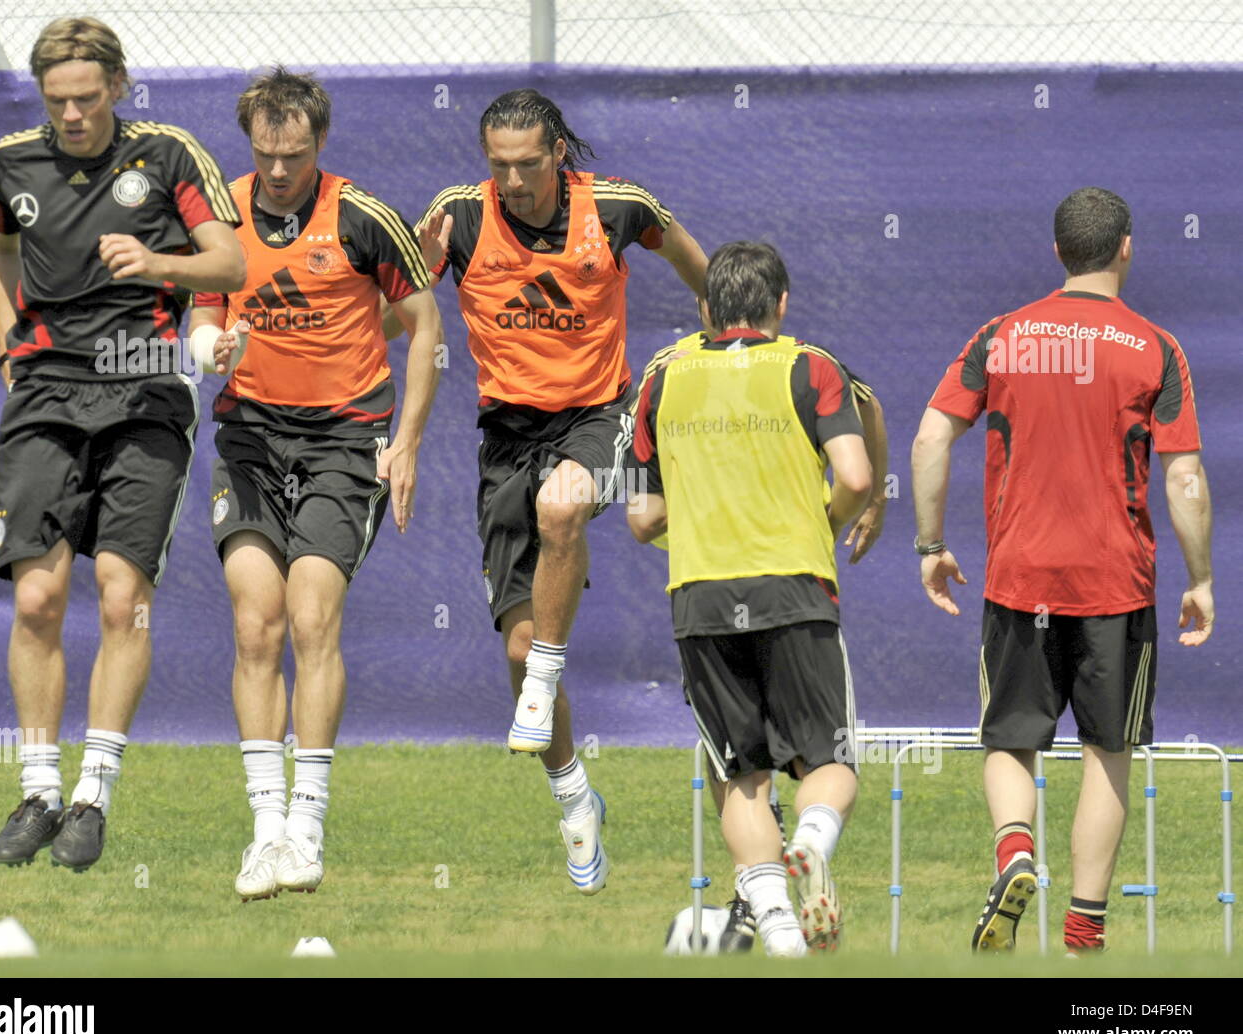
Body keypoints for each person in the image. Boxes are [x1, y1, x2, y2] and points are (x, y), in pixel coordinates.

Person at [406, 88, 708, 894]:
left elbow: (701, 272)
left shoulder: (616, 209)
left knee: (564, 502)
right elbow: (387, 307)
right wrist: (411, 258)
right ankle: (575, 797)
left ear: (558, 154)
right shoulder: (460, 216)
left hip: (599, 417)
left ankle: (543, 675)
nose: (512, 179)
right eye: (498, 165)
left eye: (527, 164)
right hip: (506, 439)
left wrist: (726, 348)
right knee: (513, 643)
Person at [910, 186, 1212, 954]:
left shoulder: (1002, 336)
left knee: (1011, 741)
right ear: (1126, 248)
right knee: (1107, 751)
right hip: (1115, 586)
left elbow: (930, 439)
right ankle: (1084, 928)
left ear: (1057, 253)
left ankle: (1015, 852)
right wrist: (1201, 578)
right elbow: (1184, 480)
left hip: (1021, 580)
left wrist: (930, 543)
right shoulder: (1155, 347)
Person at [0, 17, 244, 872]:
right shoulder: (8, 163)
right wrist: (6, 349)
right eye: (57, 101)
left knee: (124, 592)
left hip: (145, 388)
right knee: (36, 602)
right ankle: (37, 791)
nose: (72, 116)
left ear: (119, 88)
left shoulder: (169, 155)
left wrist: (158, 264)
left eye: (87, 100)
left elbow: (231, 265)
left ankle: (94, 793)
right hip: (47, 393)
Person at [187, 67, 442, 901]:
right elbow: (200, 306)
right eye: (266, 152)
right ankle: (265, 834)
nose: (280, 169)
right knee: (254, 623)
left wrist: (404, 440)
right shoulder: (219, 211)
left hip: (346, 437)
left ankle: (308, 824)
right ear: (249, 143)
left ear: (320, 143)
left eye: (294, 153)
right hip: (251, 435)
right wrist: (206, 348)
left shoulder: (364, 218)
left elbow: (424, 321)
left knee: (308, 615)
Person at [628, 241, 872, 956]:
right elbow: (855, 477)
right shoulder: (809, 366)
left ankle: (777, 929)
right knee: (827, 762)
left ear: (705, 309)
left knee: (740, 776)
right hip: (794, 584)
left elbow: (642, 518)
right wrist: (820, 522)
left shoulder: (663, 379)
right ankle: (814, 840)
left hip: (700, 594)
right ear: (782, 305)